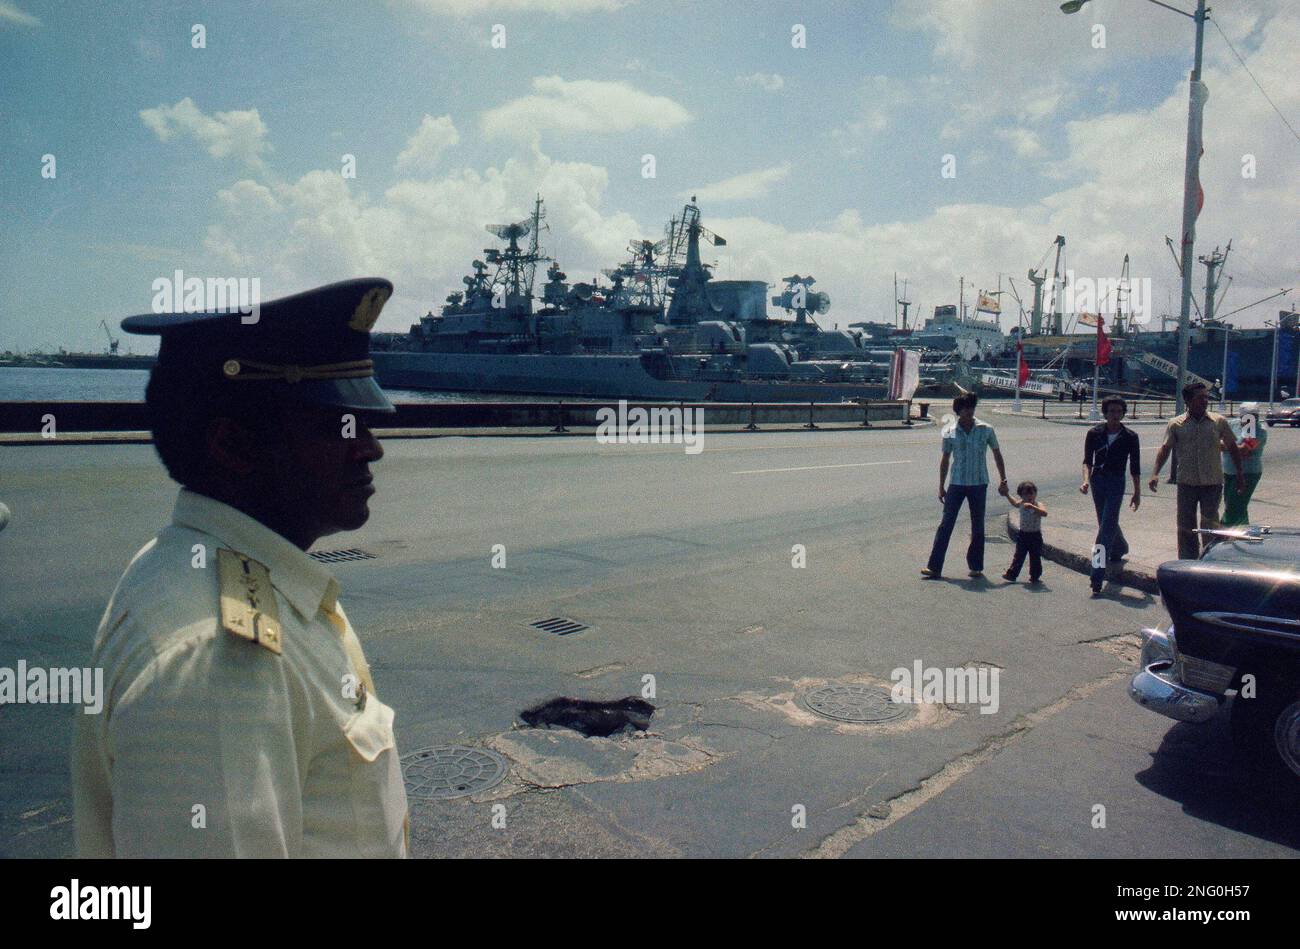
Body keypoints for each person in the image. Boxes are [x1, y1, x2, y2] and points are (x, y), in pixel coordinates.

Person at [72, 278, 410, 858]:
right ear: (234, 446)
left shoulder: (210, 570)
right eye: (339, 425)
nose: (370, 447)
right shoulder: (216, 660)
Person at [1149, 381, 1243, 560]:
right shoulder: (1176, 424)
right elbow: (1165, 449)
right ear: (1188, 400)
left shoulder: (1218, 421)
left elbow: (1232, 447)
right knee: (1185, 525)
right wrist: (1155, 473)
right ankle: (1187, 561)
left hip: (1212, 482)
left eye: (1206, 397)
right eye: (1201, 398)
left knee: (1209, 525)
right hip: (1186, 483)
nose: (1205, 401)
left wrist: (1239, 474)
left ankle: (1209, 559)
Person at [922, 392, 1009, 579]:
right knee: (946, 524)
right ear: (958, 411)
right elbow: (945, 459)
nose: (969, 412)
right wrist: (941, 486)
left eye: (971, 408)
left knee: (978, 526)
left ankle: (976, 566)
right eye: (964, 409)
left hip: (979, 484)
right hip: (957, 483)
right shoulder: (950, 432)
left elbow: (997, 453)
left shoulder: (986, 429)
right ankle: (934, 566)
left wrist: (1003, 479)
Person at [1080, 396, 1141, 594]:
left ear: (1123, 413)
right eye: (1111, 411)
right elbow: (1087, 461)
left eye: (1118, 411)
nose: (1115, 415)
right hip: (1098, 480)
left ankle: (1096, 574)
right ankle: (1120, 547)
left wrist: (1137, 492)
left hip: (1116, 481)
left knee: (1106, 527)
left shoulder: (1130, 436)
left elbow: (1135, 467)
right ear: (1105, 413)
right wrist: (1086, 480)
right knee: (1105, 522)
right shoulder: (1094, 433)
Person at [1221, 401, 1268, 526]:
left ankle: (1226, 528)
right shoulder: (1233, 424)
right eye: (1247, 417)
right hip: (1229, 471)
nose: (1251, 420)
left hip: (1248, 472)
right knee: (1234, 503)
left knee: (1234, 505)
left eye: (1254, 416)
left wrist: (1223, 445)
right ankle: (1242, 529)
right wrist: (1228, 446)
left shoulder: (1259, 431)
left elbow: (1244, 450)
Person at [1003, 481, 1046, 583]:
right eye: (1025, 494)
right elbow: (1014, 503)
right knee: (1019, 555)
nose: (1029, 496)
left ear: (1035, 494)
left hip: (1035, 535)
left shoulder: (1038, 504)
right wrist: (1007, 494)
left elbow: (1044, 513)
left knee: (1035, 556)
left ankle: (1035, 576)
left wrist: (1033, 507)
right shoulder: (1021, 503)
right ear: (1021, 496)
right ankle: (1012, 574)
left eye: (1031, 493)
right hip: (1023, 534)